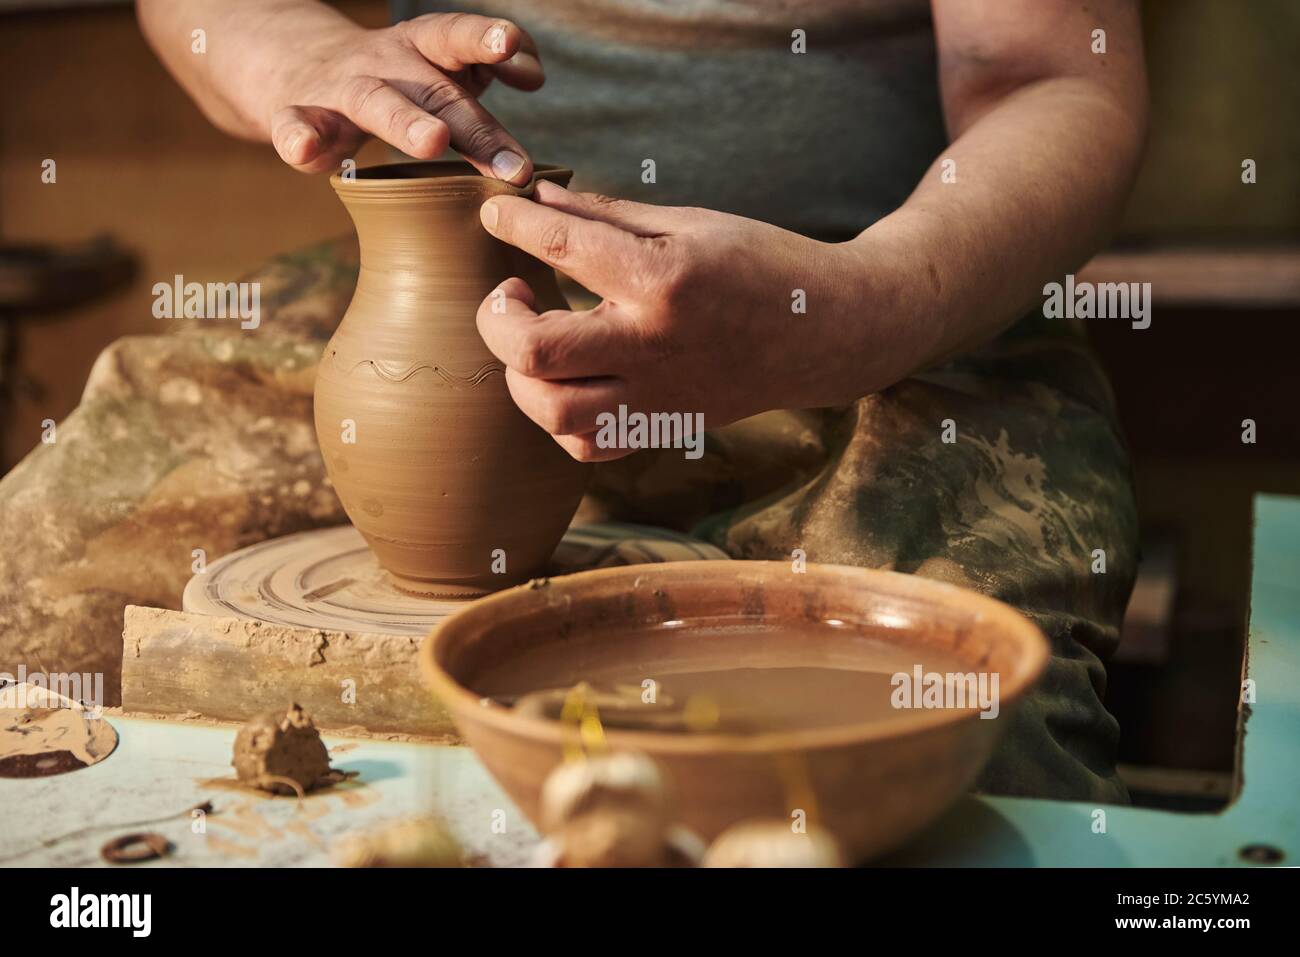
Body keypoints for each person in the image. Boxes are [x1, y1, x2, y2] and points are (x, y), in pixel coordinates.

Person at [137, 0, 1148, 802]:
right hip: (395, 305)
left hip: (884, 288)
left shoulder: (876, 298)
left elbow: (1052, 73)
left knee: (961, 728)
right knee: (46, 610)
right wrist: (297, 53)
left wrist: (864, 306)